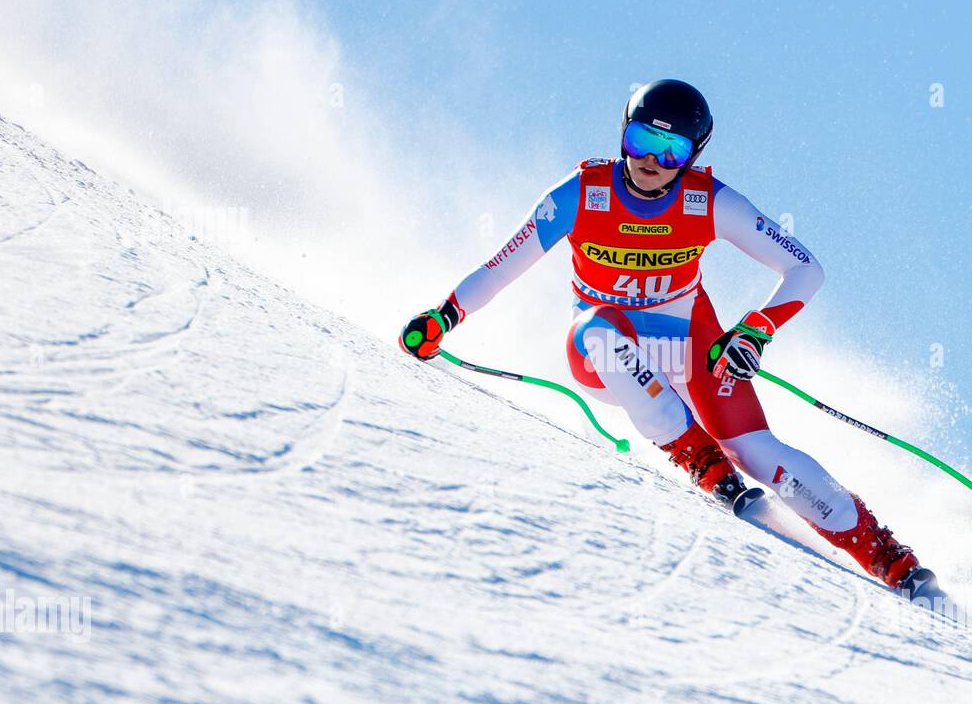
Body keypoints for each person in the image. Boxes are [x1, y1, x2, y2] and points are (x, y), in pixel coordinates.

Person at [401, 79, 936, 597]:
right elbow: (500, 268)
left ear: (694, 156)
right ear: (622, 135)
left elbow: (805, 269)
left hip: (691, 343)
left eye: (671, 150)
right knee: (595, 333)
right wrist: (445, 317)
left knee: (756, 449)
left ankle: (891, 560)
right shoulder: (582, 192)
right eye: (641, 141)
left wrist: (756, 329)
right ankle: (702, 462)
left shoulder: (709, 201)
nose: (651, 162)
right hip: (608, 347)